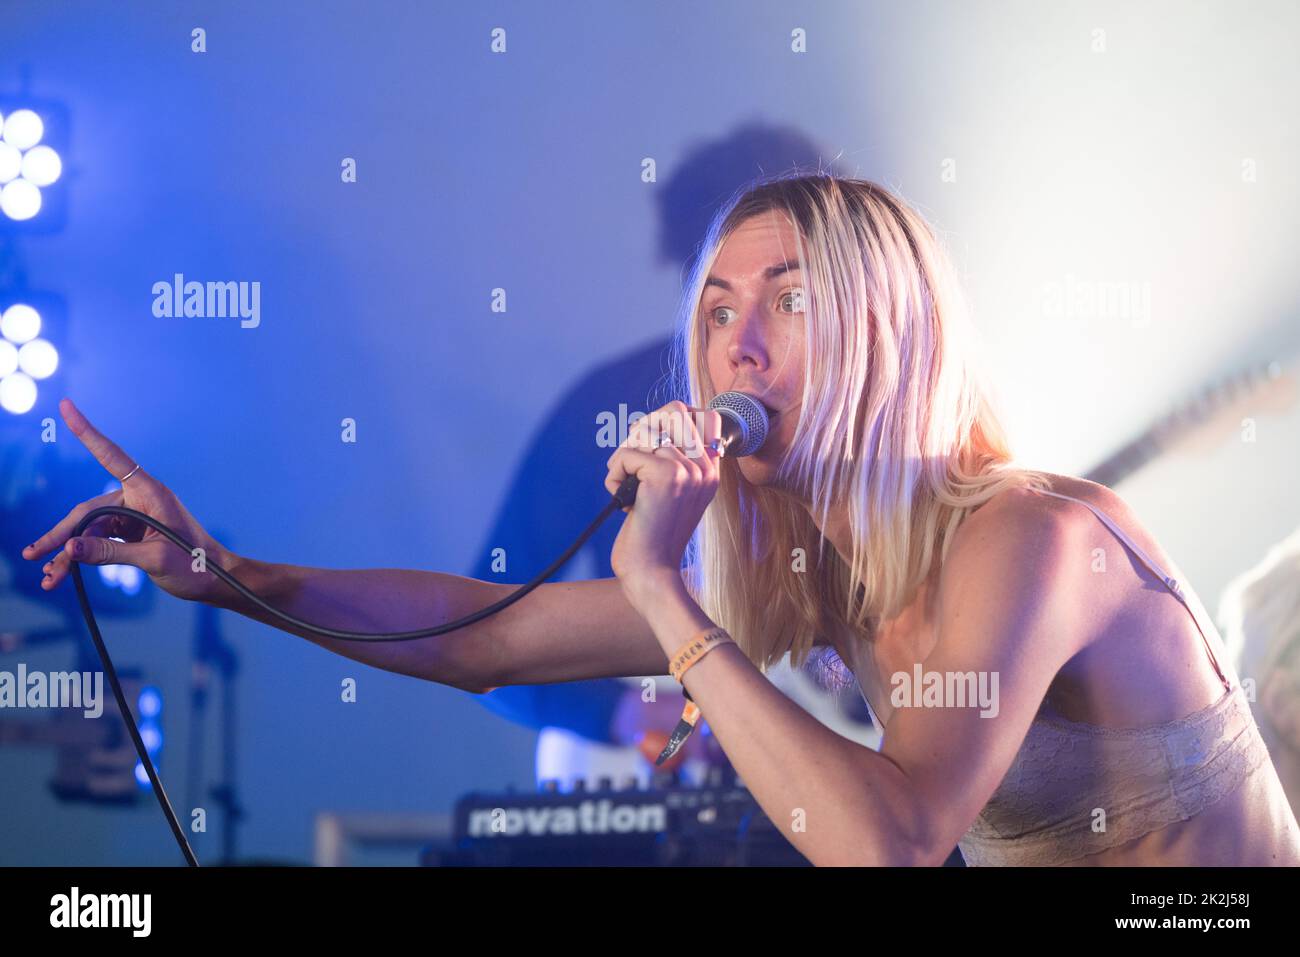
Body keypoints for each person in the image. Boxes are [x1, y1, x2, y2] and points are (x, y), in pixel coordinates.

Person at [24, 173, 1300, 866]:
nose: (737, 345)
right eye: (717, 307)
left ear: (888, 334)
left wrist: (665, 593)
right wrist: (233, 573)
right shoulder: (813, 571)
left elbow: (891, 847)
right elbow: (485, 639)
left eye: (791, 303)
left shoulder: (1032, 537)